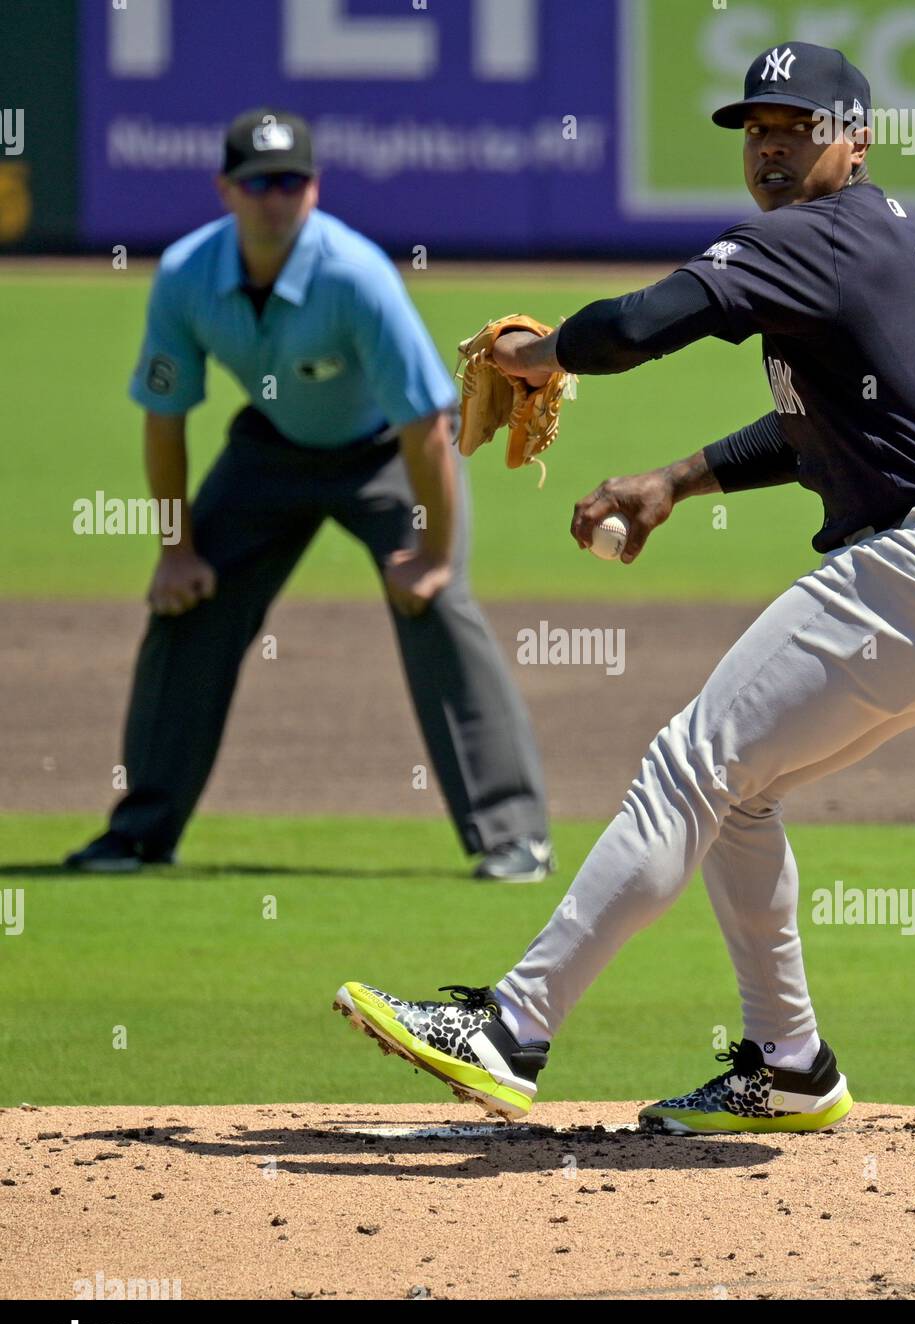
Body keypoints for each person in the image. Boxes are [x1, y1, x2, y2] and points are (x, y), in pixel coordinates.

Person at [332, 43, 915, 1131]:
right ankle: (788, 1062)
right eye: (753, 128)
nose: (765, 147)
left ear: (853, 138)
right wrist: (675, 478)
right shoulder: (873, 237)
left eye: (792, 126)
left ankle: (510, 1028)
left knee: (690, 760)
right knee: (737, 791)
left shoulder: (811, 234)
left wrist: (548, 349)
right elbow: (816, 427)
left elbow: (647, 321)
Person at [65, 108, 552, 884]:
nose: (275, 197)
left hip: (386, 452)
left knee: (438, 603)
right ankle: (139, 834)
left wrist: (430, 555)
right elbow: (164, 420)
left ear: (314, 187)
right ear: (227, 189)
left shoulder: (354, 276)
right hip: (271, 450)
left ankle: (512, 837)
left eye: (290, 180)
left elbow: (427, 425)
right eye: (258, 182)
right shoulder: (187, 275)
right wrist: (174, 549)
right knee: (187, 601)